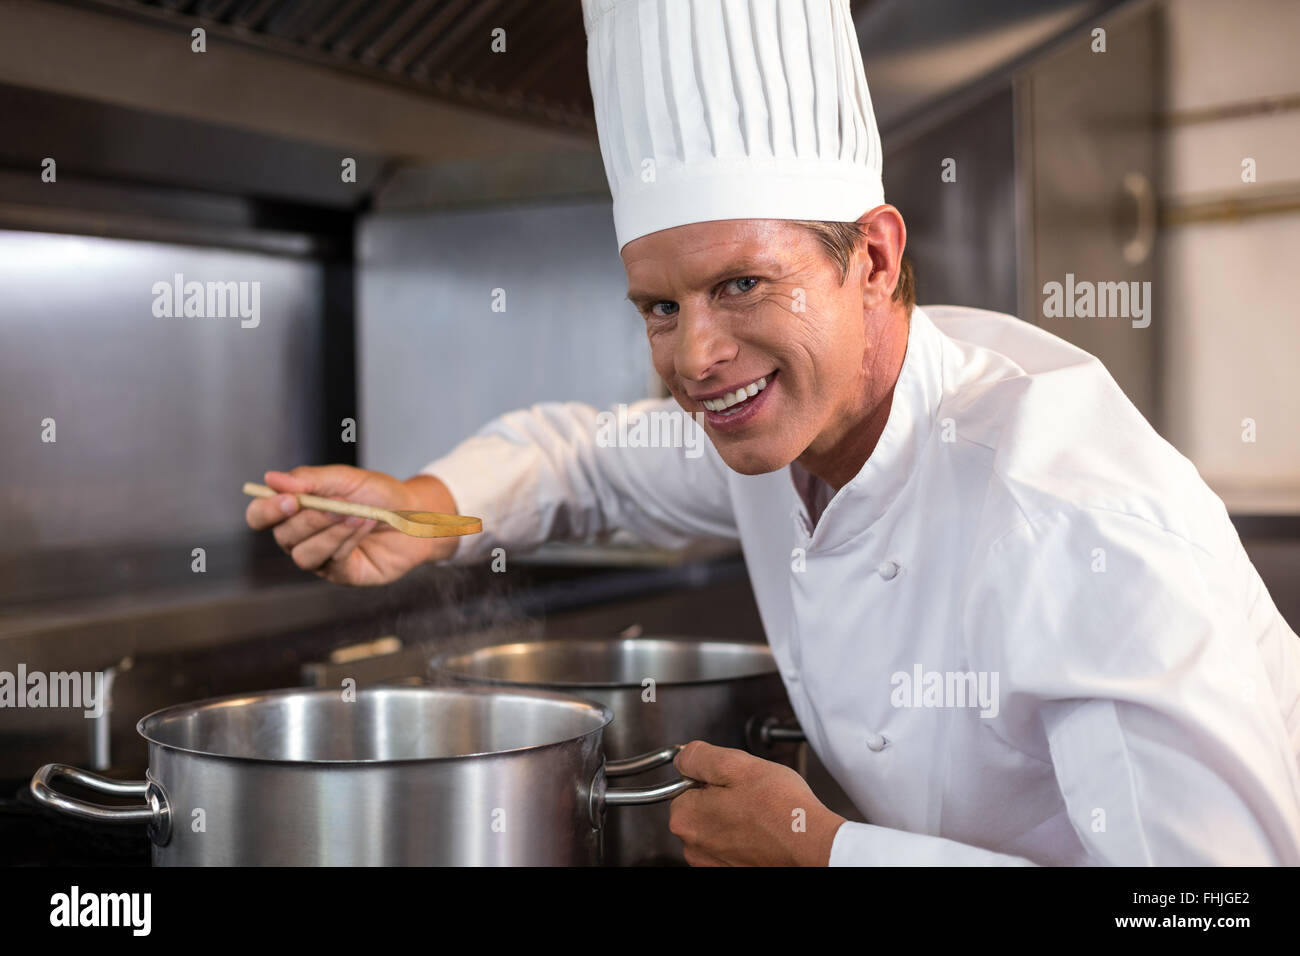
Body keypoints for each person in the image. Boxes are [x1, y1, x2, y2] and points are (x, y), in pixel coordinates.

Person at [247, 0, 1300, 865]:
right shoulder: (788, 431)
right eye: (659, 307)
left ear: (874, 261)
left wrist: (827, 850)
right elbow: (581, 455)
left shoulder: (1066, 511)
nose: (695, 356)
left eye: (742, 283)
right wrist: (432, 508)